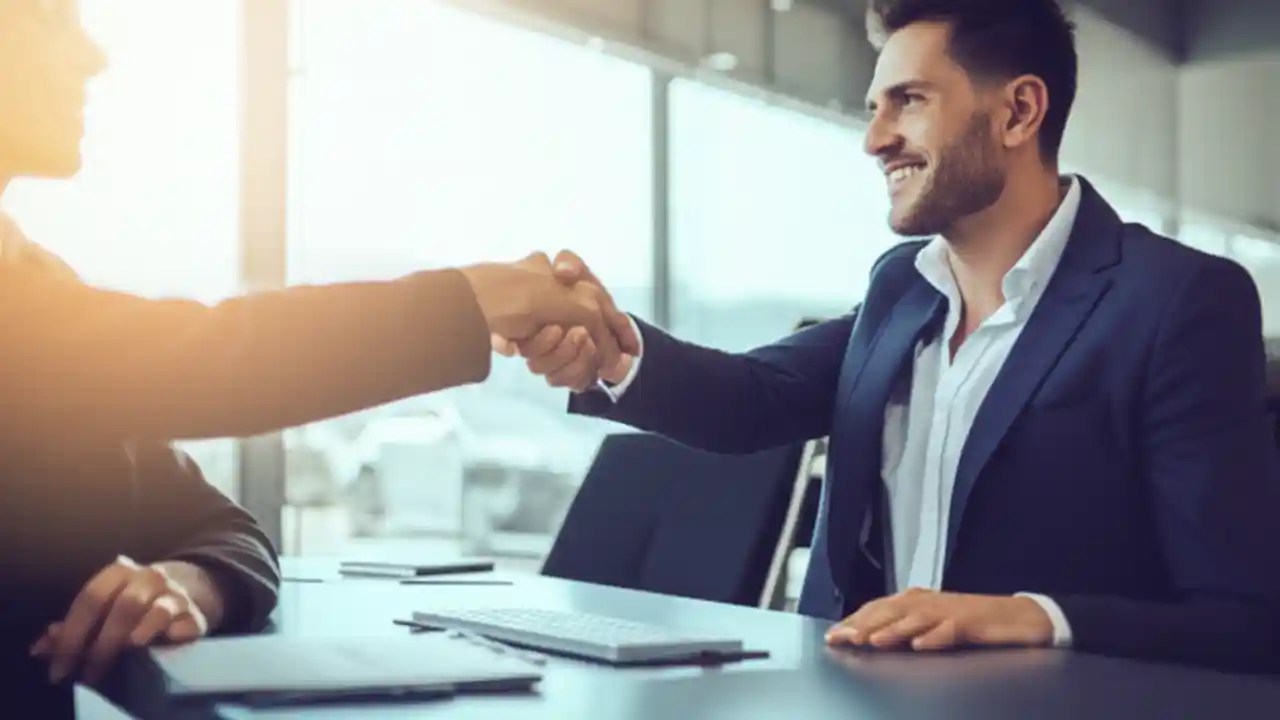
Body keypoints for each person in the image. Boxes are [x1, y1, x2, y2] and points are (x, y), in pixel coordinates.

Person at [508, 0, 1280, 672]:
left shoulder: (1176, 302)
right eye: (874, 106)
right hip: (845, 696)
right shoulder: (902, 287)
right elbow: (750, 399)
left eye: (906, 101)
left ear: (1018, 112)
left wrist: (1034, 616)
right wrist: (610, 349)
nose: (874, 139)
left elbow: (1246, 620)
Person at [0, 0, 635, 712]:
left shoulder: (41, 282)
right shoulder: (36, 318)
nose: (93, 55)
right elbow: (204, 357)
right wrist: (473, 300)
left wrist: (194, 581)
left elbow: (219, 521)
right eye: (51, 17)